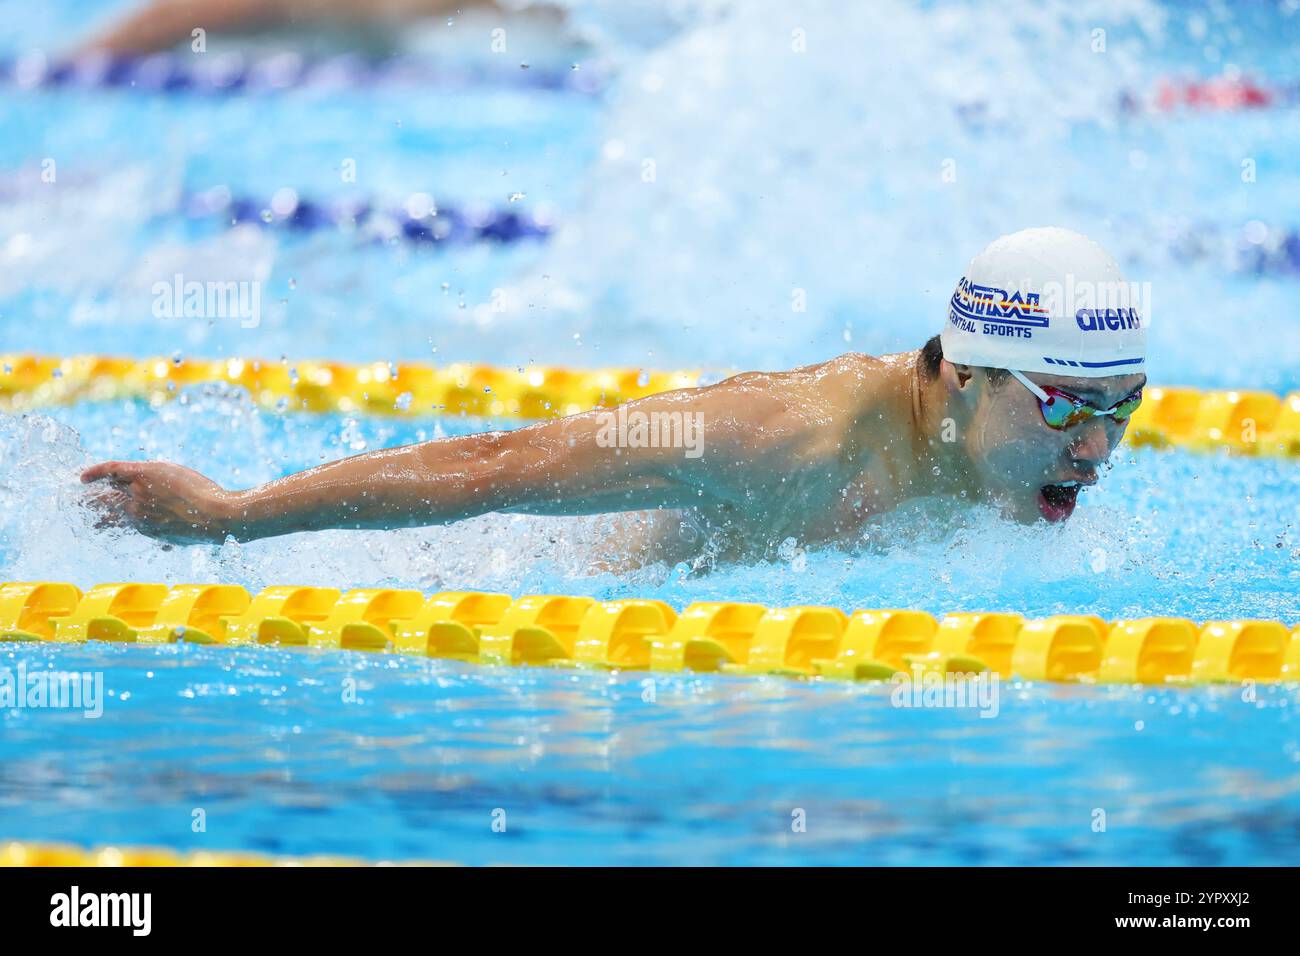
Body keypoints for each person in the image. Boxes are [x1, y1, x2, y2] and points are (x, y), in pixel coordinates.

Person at [82, 227, 1148, 561]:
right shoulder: (775, 438)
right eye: (1063, 404)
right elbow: (491, 467)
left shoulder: (1007, 457)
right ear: (959, 376)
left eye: (1121, 407)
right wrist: (228, 515)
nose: (1096, 451)